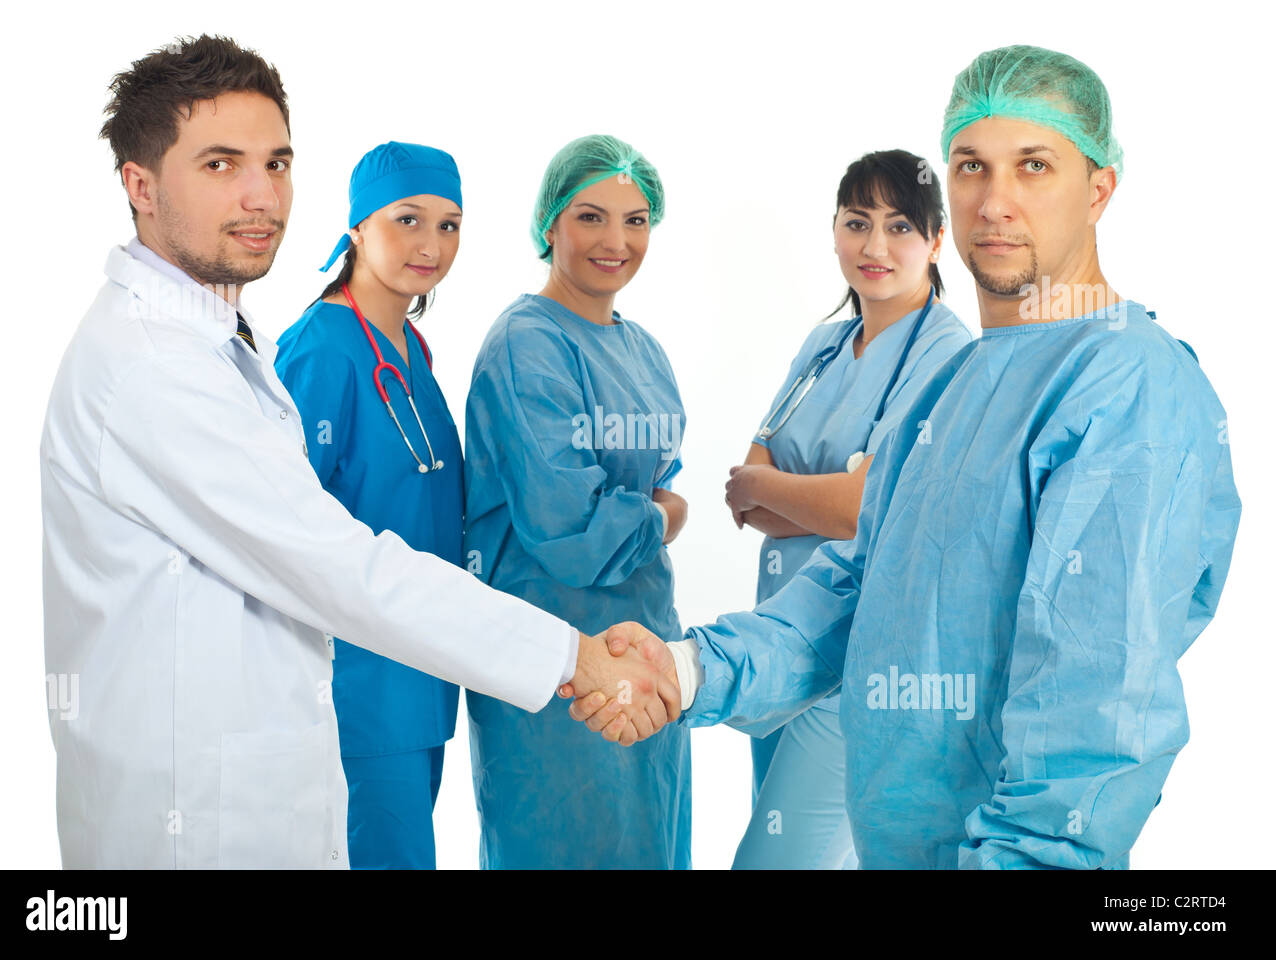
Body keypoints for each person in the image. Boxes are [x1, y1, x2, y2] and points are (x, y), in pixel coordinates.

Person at [566, 45, 1241, 870]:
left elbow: (1098, 705)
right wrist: (690, 668)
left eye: (1034, 167)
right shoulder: (954, 385)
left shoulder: (1127, 387)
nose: (995, 203)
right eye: (971, 167)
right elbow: (859, 586)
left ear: (1099, 188)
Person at [40, 35, 678, 870]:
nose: (261, 195)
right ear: (141, 185)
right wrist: (570, 654)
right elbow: (336, 563)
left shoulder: (224, 343)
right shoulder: (156, 370)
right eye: (221, 165)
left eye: (277, 163)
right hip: (205, 804)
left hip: (353, 715)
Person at [724, 150, 972, 869]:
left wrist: (803, 491)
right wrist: (829, 494)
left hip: (860, 664)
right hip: (779, 641)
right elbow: (748, 489)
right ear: (833, 230)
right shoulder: (823, 346)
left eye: (899, 226)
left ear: (933, 239)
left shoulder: (949, 355)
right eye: (856, 222)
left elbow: (868, 508)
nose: (874, 246)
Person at [464, 134, 691, 868]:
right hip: (559, 666)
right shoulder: (525, 345)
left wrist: (651, 510)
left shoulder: (644, 348)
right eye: (591, 217)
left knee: (650, 847)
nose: (616, 241)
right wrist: (659, 515)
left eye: (636, 219)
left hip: (651, 650)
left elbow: (659, 471)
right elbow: (571, 529)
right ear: (549, 225)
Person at [274, 142, 466, 869]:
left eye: (450, 225)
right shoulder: (321, 352)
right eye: (408, 219)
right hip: (359, 683)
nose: (431, 245)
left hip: (425, 671)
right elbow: (287, 531)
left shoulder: (408, 345)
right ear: (357, 227)